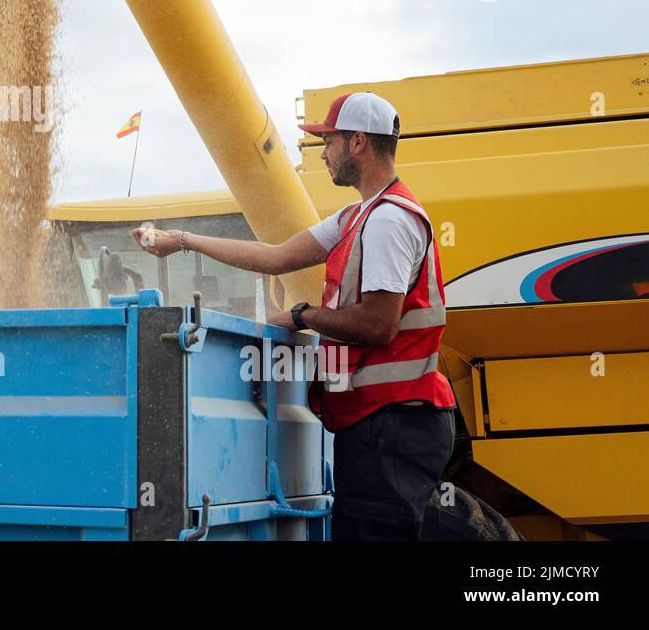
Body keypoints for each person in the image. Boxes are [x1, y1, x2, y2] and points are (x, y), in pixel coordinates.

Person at [134, 92, 458, 540]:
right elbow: (276, 256)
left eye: (329, 141)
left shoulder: (388, 221)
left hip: (393, 422)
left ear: (359, 142)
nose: (323, 152)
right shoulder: (357, 216)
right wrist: (183, 239)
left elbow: (378, 325)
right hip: (381, 421)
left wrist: (302, 315)